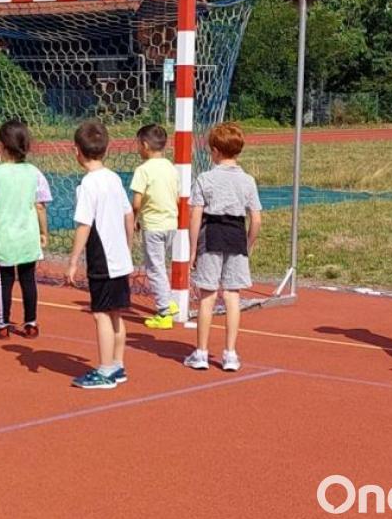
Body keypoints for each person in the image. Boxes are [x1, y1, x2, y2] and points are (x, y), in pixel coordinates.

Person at [183, 122, 262, 373]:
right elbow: (256, 219)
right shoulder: (248, 181)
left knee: (207, 295)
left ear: (215, 151)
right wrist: (248, 243)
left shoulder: (205, 178)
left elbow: (195, 216)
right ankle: (230, 353)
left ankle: (201, 352)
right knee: (232, 295)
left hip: (212, 234)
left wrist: (192, 249)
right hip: (236, 234)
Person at [65, 121, 133, 389]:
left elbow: (84, 224)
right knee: (116, 313)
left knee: (101, 313)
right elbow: (129, 215)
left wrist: (73, 261)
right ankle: (117, 364)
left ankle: (105, 370)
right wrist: (127, 246)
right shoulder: (114, 178)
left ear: (77, 151)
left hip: (102, 258)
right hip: (119, 256)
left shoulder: (88, 184)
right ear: (106, 149)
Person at [0, 119, 51, 339]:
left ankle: (2, 324)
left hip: (6, 236)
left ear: (1, 145)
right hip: (28, 236)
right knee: (28, 279)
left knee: (5, 279)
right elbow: (40, 206)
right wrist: (43, 232)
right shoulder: (34, 173)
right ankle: (31, 323)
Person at [131, 124, 180, 330]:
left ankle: (164, 313)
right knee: (160, 265)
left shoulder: (143, 170)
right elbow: (177, 197)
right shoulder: (171, 167)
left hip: (153, 225)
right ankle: (168, 301)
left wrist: (134, 219)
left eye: (138, 145)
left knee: (154, 268)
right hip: (171, 224)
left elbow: (136, 202)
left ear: (145, 145)